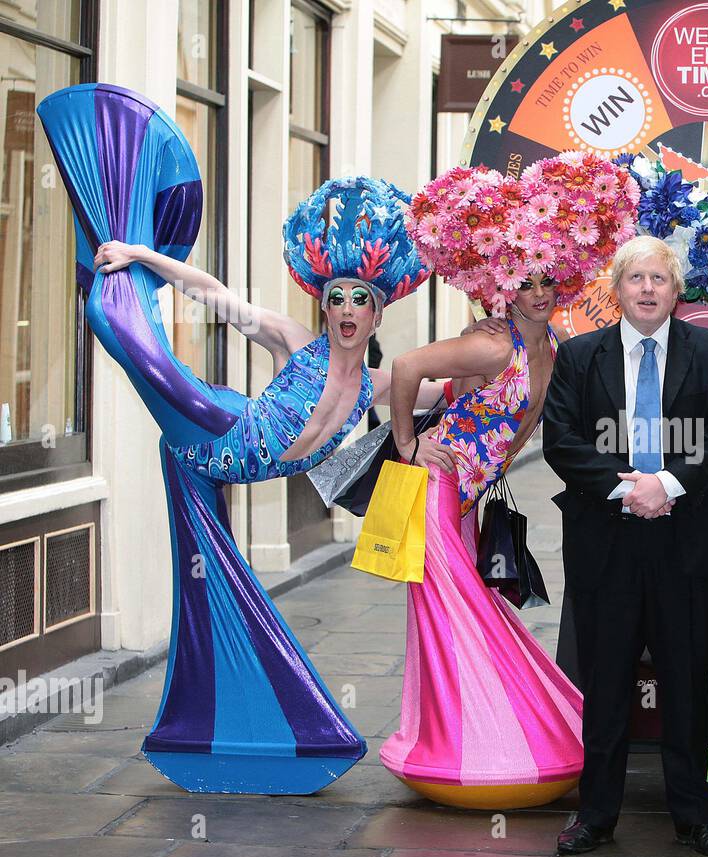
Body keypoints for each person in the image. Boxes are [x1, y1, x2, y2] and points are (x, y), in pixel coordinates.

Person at [37, 83, 432, 794]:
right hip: (216, 427)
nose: (345, 309)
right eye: (336, 296)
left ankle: (224, 722)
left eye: (359, 300)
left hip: (207, 468)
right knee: (123, 330)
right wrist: (143, 257)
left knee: (214, 582)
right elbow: (217, 295)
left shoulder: (381, 384)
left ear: (377, 312)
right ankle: (110, 224)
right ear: (324, 302)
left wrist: (512, 342)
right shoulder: (296, 343)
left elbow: (452, 385)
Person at [376, 154, 640, 808]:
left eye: (548, 278)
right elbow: (406, 366)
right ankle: (475, 738)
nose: (539, 291)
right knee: (460, 609)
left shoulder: (552, 348)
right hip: (434, 493)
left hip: (466, 497)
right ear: (505, 286)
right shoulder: (495, 345)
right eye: (524, 281)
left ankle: (479, 729)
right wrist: (410, 443)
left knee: (467, 609)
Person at [543, 235, 708, 856]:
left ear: (676, 291)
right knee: (604, 683)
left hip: (686, 545)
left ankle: (692, 814)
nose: (648, 289)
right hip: (607, 546)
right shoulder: (578, 355)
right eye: (636, 279)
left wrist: (668, 484)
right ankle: (596, 814)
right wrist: (625, 490)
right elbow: (561, 440)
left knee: (687, 681)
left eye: (659, 279)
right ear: (617, 289)